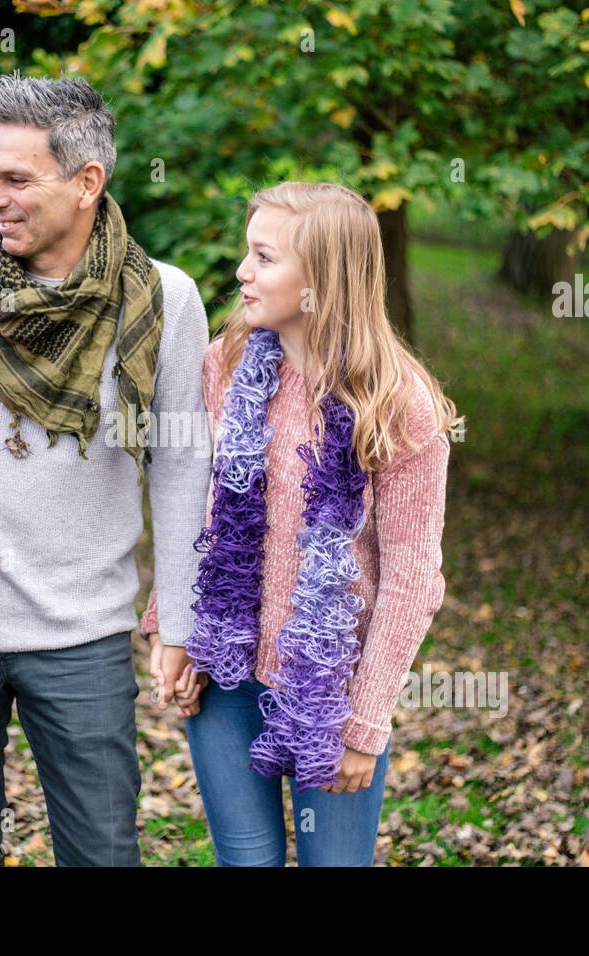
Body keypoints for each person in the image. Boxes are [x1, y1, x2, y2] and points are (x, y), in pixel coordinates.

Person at [0, 73, 211, 867]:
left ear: (87, 183)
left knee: (101, 853)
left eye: (17, 179)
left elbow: (178, 467)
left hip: (80, 630)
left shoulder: (163, 300)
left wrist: (180, 618)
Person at [141, 181, 459, 866]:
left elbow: (412, 578)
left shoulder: (398, 406)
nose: (241, 273)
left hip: (332, 691)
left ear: (323, 278)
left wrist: (365, 725)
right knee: (245, 861)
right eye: (245, 253)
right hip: (226, 676)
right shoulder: (226, 367)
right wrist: (177, 625)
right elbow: (202, 507)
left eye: (263, 257)